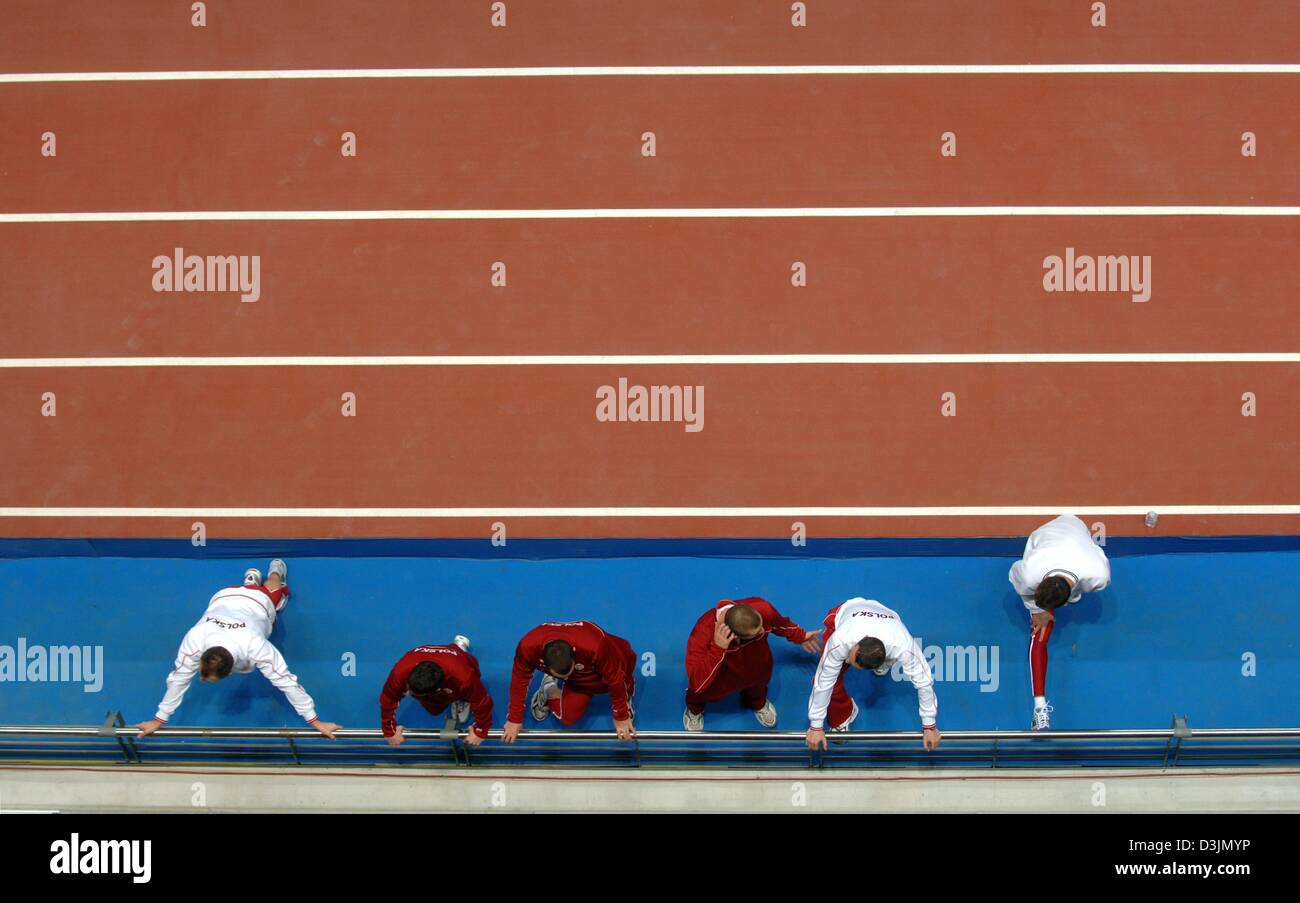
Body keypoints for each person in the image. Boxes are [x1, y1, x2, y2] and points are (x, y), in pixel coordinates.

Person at [134, 560, 339, 739]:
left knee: (273, 592)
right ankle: (250, 581)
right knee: (258, 594)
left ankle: (274, 571)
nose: (201, 678)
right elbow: (179, 678)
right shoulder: (195, 640)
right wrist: (158, 720)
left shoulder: (254, 646)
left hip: (258, 603)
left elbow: (287, 682)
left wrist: (315, 721)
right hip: (223, 597)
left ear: (231, 671)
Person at [1009, 514, 1111, 730]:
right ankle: (1039, 706)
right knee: (1041, 630)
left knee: (1047, 619)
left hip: (1078, 528)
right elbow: (1013, 574)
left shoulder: (1098, 576)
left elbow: (1098, 552)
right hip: (1044, 536)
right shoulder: (1030, 573)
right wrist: (1037, 610)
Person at [805, 597, 939, 752]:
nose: (847, 660)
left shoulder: (903, 644)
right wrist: (816, 726)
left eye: (851, 662)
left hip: (890, 619)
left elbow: (924, 682)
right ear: (859, 643)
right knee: (830, 677)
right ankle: (846, 713)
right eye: (850, 656)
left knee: (894, 657)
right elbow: (823, 682)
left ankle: (884, 663)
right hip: (848, 611)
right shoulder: (841, 640)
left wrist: (929, 726)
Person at [683, 596, 822, 730]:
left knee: (759, 685)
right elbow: (697, 684)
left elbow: (779, 624)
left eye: (761, 626)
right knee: (700, 695)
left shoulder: (761, 608)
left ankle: (758, 703)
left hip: (757, 665)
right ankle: (694, 710)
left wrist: (800, 636)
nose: (763, 630)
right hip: (721, 676)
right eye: (756, 633)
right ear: (734, 636)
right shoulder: (703, 633)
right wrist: (717, 649)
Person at [502, 621, 636, 743]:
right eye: (561, 676)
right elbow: (519, 679)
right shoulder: (528, 647)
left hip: (609, 664)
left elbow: (615, 679)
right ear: (543, 664)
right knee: (568, 717)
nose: (565, 679)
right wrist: (514, 718)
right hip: (578, 680)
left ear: (573, 651)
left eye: (567, 673)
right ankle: (549, 688)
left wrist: (621, 716)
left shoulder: (594, 645)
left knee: (623, 679)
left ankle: (625, 699)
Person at [380, 636, 493, 746]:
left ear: (437, 689)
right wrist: (389, 731)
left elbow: (482, 703)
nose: (407, 693)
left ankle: (459, 649)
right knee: (434, 710)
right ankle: (456, 647)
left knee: (469, 686)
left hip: (460, 661)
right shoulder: (400, 672)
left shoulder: (464, 678)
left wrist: (481, 730)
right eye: (408, 689)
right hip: (424, 657)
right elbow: (388, 699)